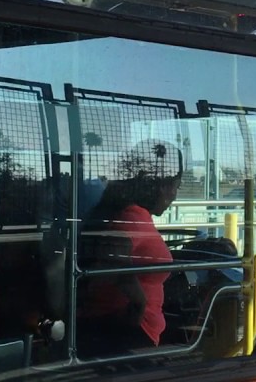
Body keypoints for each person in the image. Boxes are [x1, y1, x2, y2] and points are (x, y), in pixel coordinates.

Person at [77, 139, 183, 358]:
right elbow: (111, 258)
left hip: (124, 328)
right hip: (128, 333)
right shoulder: (133, 217)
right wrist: (139, 302)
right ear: (161, 185)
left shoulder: (125, 212)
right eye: (176, 186)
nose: (174, 195)